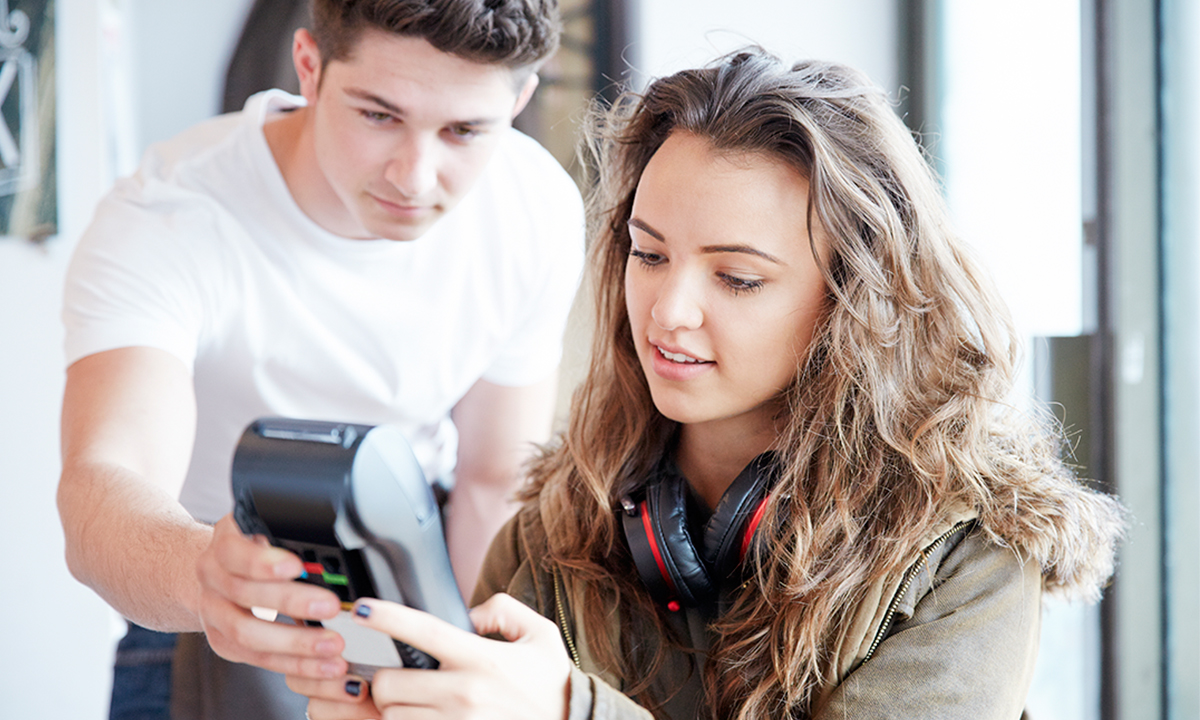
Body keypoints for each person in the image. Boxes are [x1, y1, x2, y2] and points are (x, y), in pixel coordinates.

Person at [285, 49, 1128, 720]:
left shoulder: (967, 553)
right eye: (649, 255)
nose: (668, 311)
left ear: (852, 304)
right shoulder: (554, 530)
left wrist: (571, 712)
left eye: (737, 278)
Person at [57, 1, 582, 718]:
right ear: (308, 67)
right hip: (207, 603)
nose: (415, 176)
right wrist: (205, 574)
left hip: (419, 586)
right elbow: (102, 484)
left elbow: (494, 476)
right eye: (378, 115)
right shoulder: (171, 214)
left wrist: (451, 664)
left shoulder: (535, 206)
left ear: (520, 99)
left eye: (464, 131)